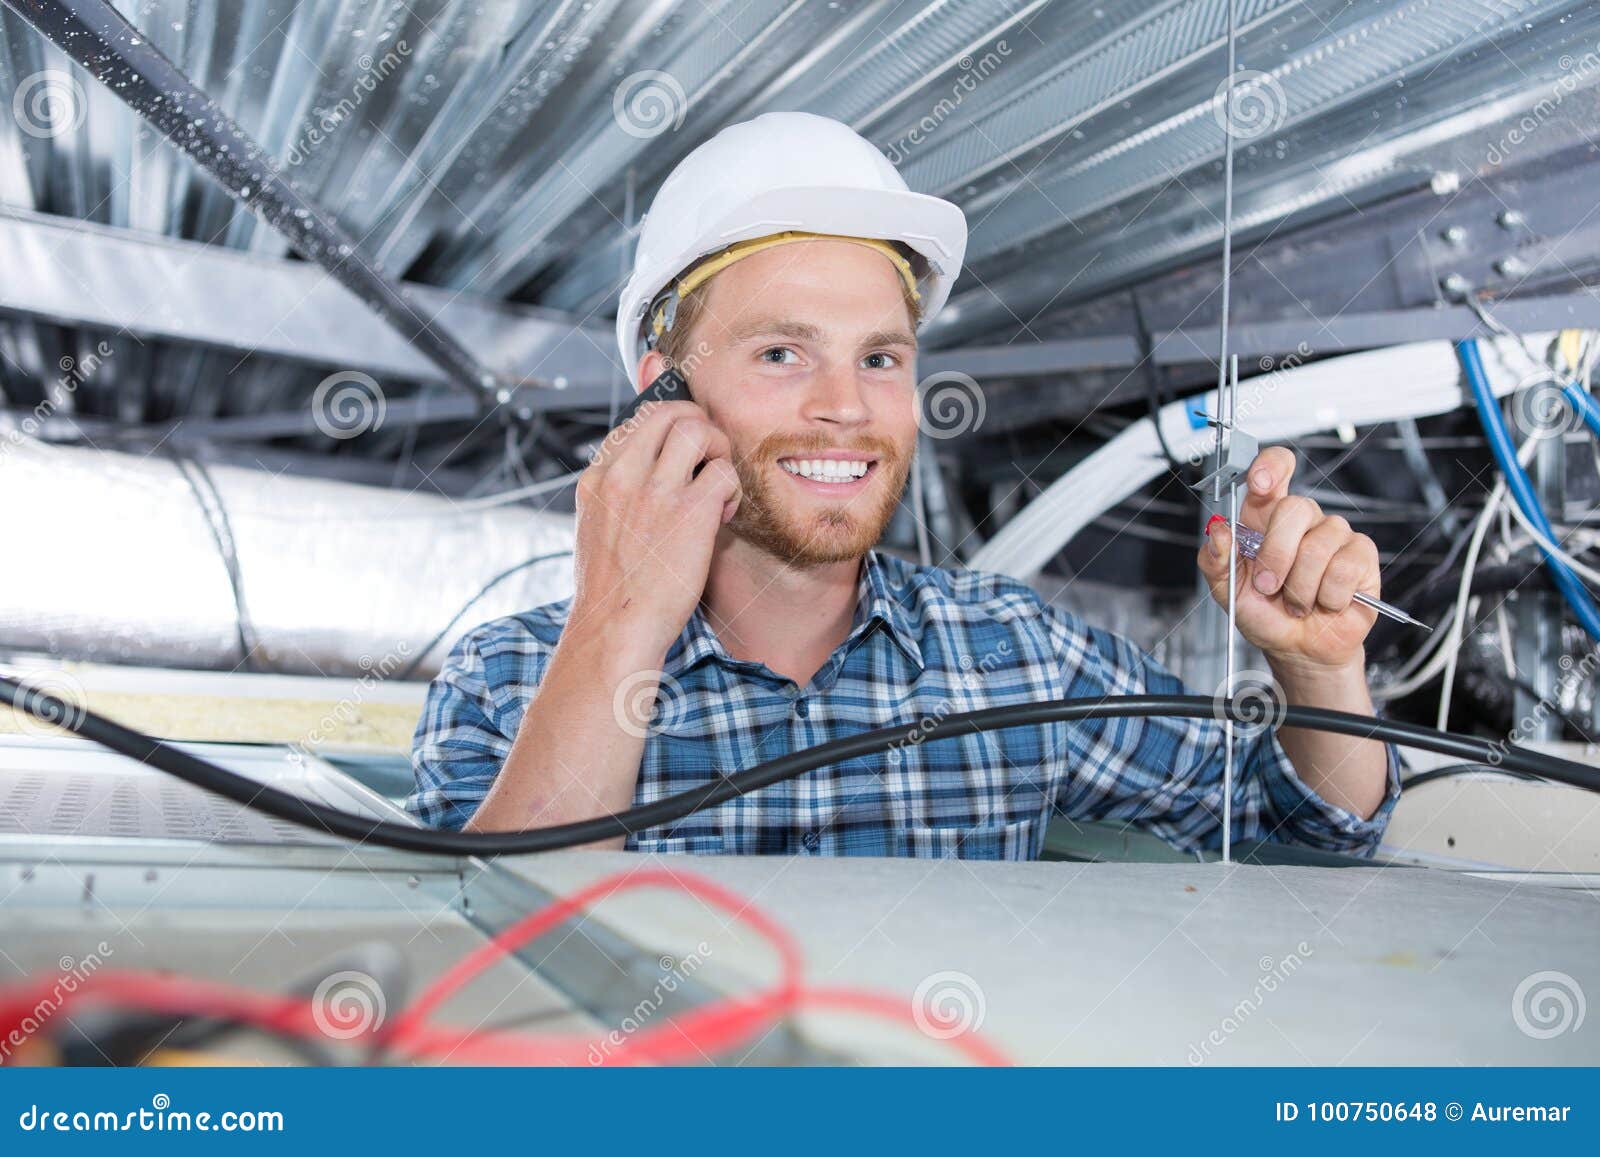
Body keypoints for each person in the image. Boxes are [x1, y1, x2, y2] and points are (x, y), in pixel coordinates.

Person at [407, 112, 1400, 859]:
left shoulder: (1021, 656)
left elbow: (1294, 834)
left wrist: (1316, 669)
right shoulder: (506, 680)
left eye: (880, 358)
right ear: (660, 388)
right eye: (782, 351)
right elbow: (488, 981)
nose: (846, 406)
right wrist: (620, 620)